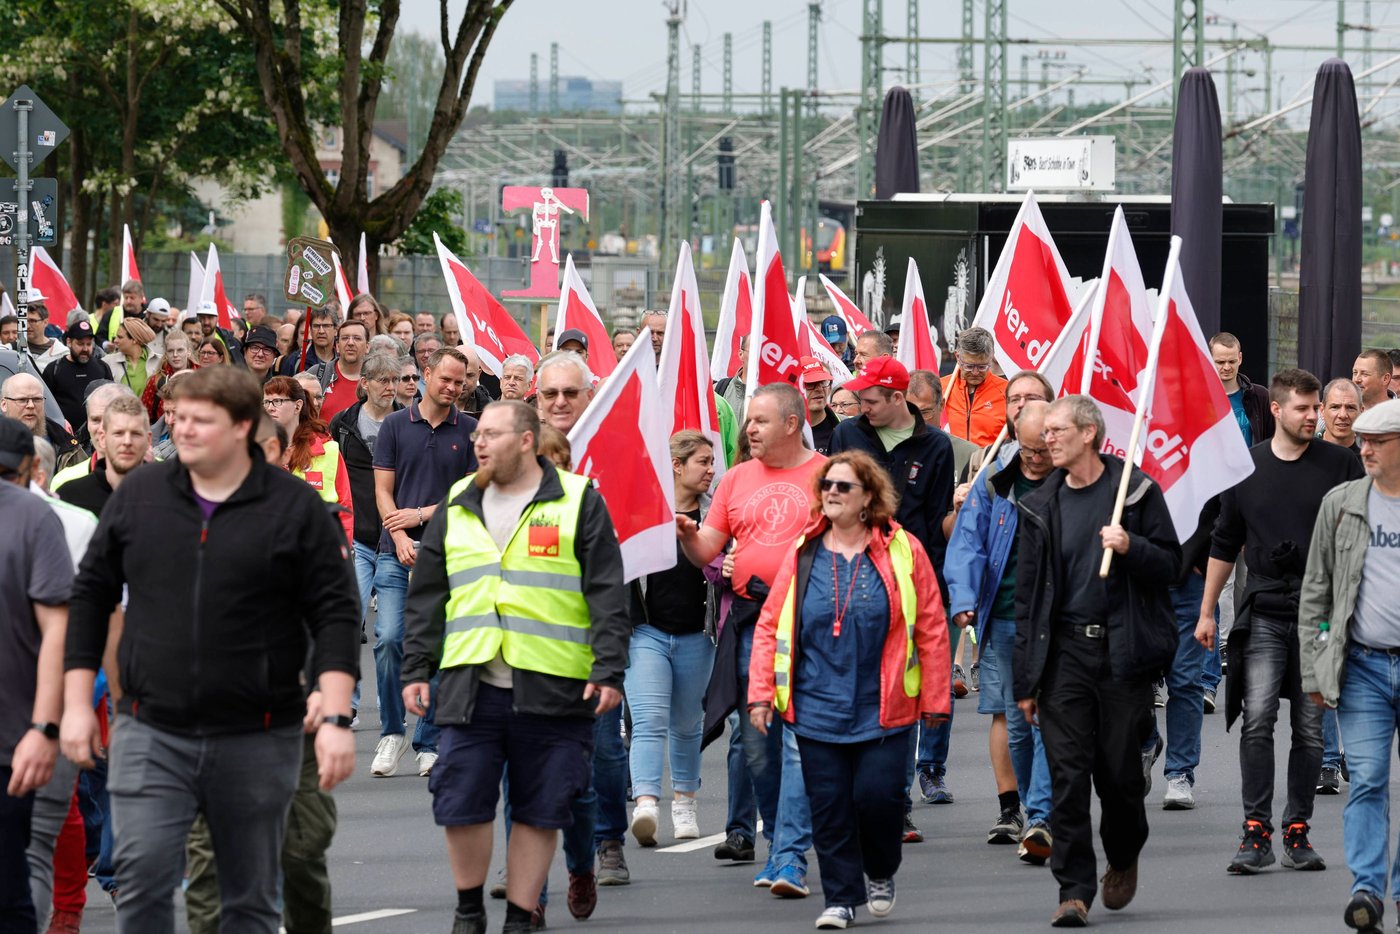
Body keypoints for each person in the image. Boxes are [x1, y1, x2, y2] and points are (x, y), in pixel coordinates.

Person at [60, 366, 359, 934]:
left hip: (258, 734)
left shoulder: (293, 507)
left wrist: (338, 711)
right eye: (177, 418)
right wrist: (77, 703)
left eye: (201, 420)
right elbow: (91, 596)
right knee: (142, 879)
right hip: (151, 729)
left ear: (243, 426)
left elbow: (335, 610)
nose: (183, 430)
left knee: (247, 898)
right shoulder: (143, 494)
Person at [401, 400, 629, 934]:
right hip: (469, 684)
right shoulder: (457, 501)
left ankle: (520, 917)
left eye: (494, 435)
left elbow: (606, 592)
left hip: (553, 685)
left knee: (539, 806)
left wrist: (608, 669)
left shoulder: (578, 501)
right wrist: (416, 667)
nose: (479, 443)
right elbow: (428, 594)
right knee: (461, 800)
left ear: (526, 441)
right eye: (478, 434)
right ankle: (468, 909)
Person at [747, 449, 949, 930]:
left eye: (843, 486)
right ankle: (840, 897)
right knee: (831, 809)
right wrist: (760, 692)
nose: (831, 493)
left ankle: (880, 869)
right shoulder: (804, 550)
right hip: (816, 704)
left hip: (884, 706)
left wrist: (937, 700)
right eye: (826, 486)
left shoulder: (904, 549)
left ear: (868, 499)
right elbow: (771, 624)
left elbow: (932, 628)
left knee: (877, 802)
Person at [1013, 394, 1180, 927]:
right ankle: (1074, 887)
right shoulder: (1041, 503)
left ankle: (1125, 853)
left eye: (1058, 429)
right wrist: (1026, 680)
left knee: (1119, 777)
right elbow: (1028, 600)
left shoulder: (1133, 491)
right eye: (1046, 431)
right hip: (1063, 655)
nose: (1047, 439)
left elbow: (1172, 565)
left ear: (1089, 433)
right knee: (1067, 774)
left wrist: (1132, 546)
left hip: (1121, 654)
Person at [1194, 368, 1364, 874]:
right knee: (1259, 721)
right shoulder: (1246, 468)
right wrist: (1207, 611)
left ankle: (1297, 828)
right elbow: (1225, 542)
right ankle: (1255, 831)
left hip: (1322, 618)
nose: (1314, 417)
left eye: (1318, 409)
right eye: (1305, 408)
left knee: (1311, 729)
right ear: (1277, 409)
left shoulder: (1343, 465)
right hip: (1264, 610)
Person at [679, 383, 826, 897]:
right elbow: (708, 552)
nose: (749, 430)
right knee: (758, 744)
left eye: (761, 420)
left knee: (798, 742)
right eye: (749, 421)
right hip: (750, 623)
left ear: (791, 423)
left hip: (808, 623)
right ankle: (780, 835)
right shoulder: (737, 478)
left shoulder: (828, 475)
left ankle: (789, 856)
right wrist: (686, 536)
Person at [828, 356, 955, 832]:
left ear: (898, 398)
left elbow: (939, 523)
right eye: (859, 399)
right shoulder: (848, 436)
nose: (862, 406)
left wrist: (941, 586)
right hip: (854, 573)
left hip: (912, 577)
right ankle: (859, 794)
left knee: (904, 688)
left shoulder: (936, 447)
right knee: (860, 686)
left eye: (871, 399)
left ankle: (898, 803)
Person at [1298, 399, 1400, 933]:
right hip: (1361, 666)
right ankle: (1367, 890)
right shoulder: (1341, 503)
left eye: (1377, 441)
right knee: (1366, 780)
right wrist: (1317, 669)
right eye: (1361, 440)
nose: (1365, 449)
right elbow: (1316, 594)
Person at [945, 401, 1056, 863]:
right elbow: (967, 541)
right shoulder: (995, 479)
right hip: (1005, 615)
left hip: (1056, 619)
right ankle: (1030, 804)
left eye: (1041, 450)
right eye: (1026, 449)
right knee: (1017, 724)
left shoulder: (1076, 478)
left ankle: (1041, 816)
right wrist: (964, 598)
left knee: (1048, 719)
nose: (1033, 459)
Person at [371, 347, 478, 778]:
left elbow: (472, 491)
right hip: (395, 553)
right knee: (390, 639)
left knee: (439, 648)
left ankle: (428, 739)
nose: (453, 388)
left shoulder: (470, 430)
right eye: (446, 379)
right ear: (427, 374)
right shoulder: (396, 424)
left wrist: (420, 515)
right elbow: (382, 491)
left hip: (449, 553)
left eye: (461, 381)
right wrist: (399, 535)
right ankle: (392, 732)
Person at [627, 431, 718, 847]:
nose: (711, 469)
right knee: (647, 719)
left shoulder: (716, 513)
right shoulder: (645, 509)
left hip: (698, 633)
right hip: (646, 630)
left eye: (712, 461)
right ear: (677, 466)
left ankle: (684, 802)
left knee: (686, 724)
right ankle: (645, 803)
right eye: (703, 461)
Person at [0, 415, 73, 933]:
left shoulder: (33, 518)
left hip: (9, 741)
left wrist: (43, 727)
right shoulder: (36, 514)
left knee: (8, 888)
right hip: (16, 736)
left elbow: (56, 629)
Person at [328, 352, 402, 692]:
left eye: (395, 380)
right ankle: (349, 704)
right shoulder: (343, 424)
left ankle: (392, 709)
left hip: (393, 541)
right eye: (383, 380)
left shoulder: (407, 423)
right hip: (356, 540)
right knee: (344, 626)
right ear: (365, 384)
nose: (390, 387)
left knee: (390, 635)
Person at [263, 376, 355, 544]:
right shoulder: (255, 451)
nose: (270, 408)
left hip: (317, 552)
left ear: (298, 406)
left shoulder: (328, 450)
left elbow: (345, 507)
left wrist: (341, 551)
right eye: (266, 402)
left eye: (277, 401)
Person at [57, 395, 150, 518]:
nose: (127, 441)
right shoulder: (69, 497)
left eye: (136, 433)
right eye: (118, 433)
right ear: (102, 438)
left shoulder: (168, 493)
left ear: (148, 440)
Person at [940, 327, 1006, 447]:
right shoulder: (941, 388)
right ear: (958, 357)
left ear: (991, 358)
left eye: (982, 367)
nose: (975, 372)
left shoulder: (1008, 392)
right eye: (969, 366)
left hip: (989, 463)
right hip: (949, 463)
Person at [42, 320, 113, 430]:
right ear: (69, 342)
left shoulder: (102, 367)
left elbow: (111, 400)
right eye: (80, 344)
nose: (85, 349)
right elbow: (46, 405)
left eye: (89, 344)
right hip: (63, 436)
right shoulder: (54, 369)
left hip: (97, 435)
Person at [319, 319, 370, 421]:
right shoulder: (318, 374)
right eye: (345, 338)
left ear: (367, 347)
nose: (350, 343)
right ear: (337, 346)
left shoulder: (377, 380)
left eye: (357, 338)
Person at [142, 331, 193, 422]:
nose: (175, 355)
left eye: (180, 350)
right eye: (170, 351)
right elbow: (145, 417)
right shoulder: (156, 381)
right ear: (166, 354)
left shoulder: (201, 379)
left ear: (188, 352)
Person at [800, 357, 839, 455]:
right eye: (810, 384)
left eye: (823, 382)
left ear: (830, 388)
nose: (819, 389)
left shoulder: (847, 429)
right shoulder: (781, 432)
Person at [1321, 378, 1363, 452]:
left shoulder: (1369, 461)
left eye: (1350, 407)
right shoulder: (1303, 454)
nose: (1342, 415)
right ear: (1322, 411)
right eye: (1335, 407)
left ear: (1361, 412)